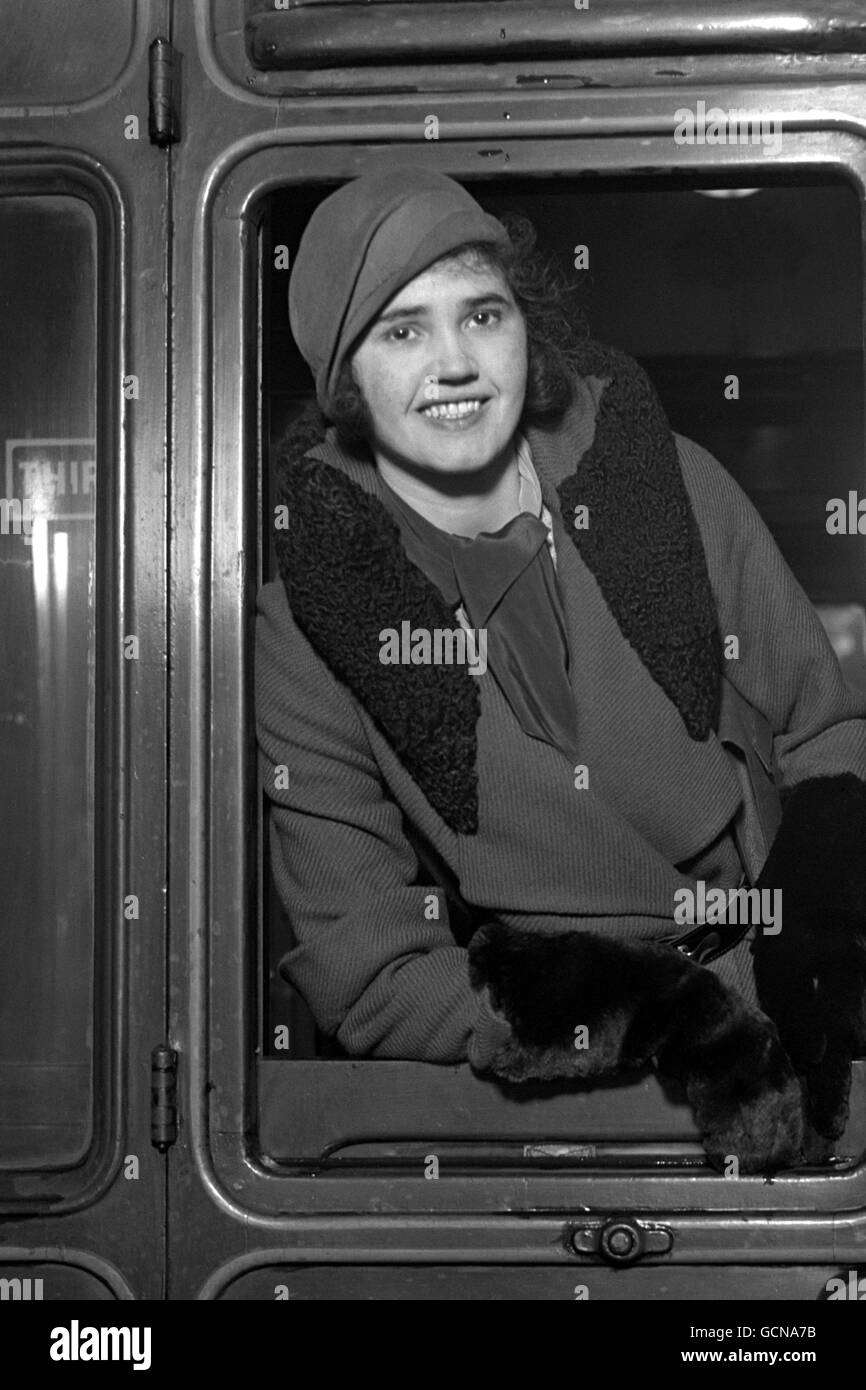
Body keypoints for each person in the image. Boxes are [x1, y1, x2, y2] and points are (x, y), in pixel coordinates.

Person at [255, 167, 866, 1174]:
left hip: (792, 1038)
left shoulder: (670, 486)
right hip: (540, 1110)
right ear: (344, 381)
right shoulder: (302, 628)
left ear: (521, 329)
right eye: (401, 331)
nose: (453, 363)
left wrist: (809, 965)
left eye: (480, 314)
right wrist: (637, 1015)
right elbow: (367, 973)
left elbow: (830, 731)